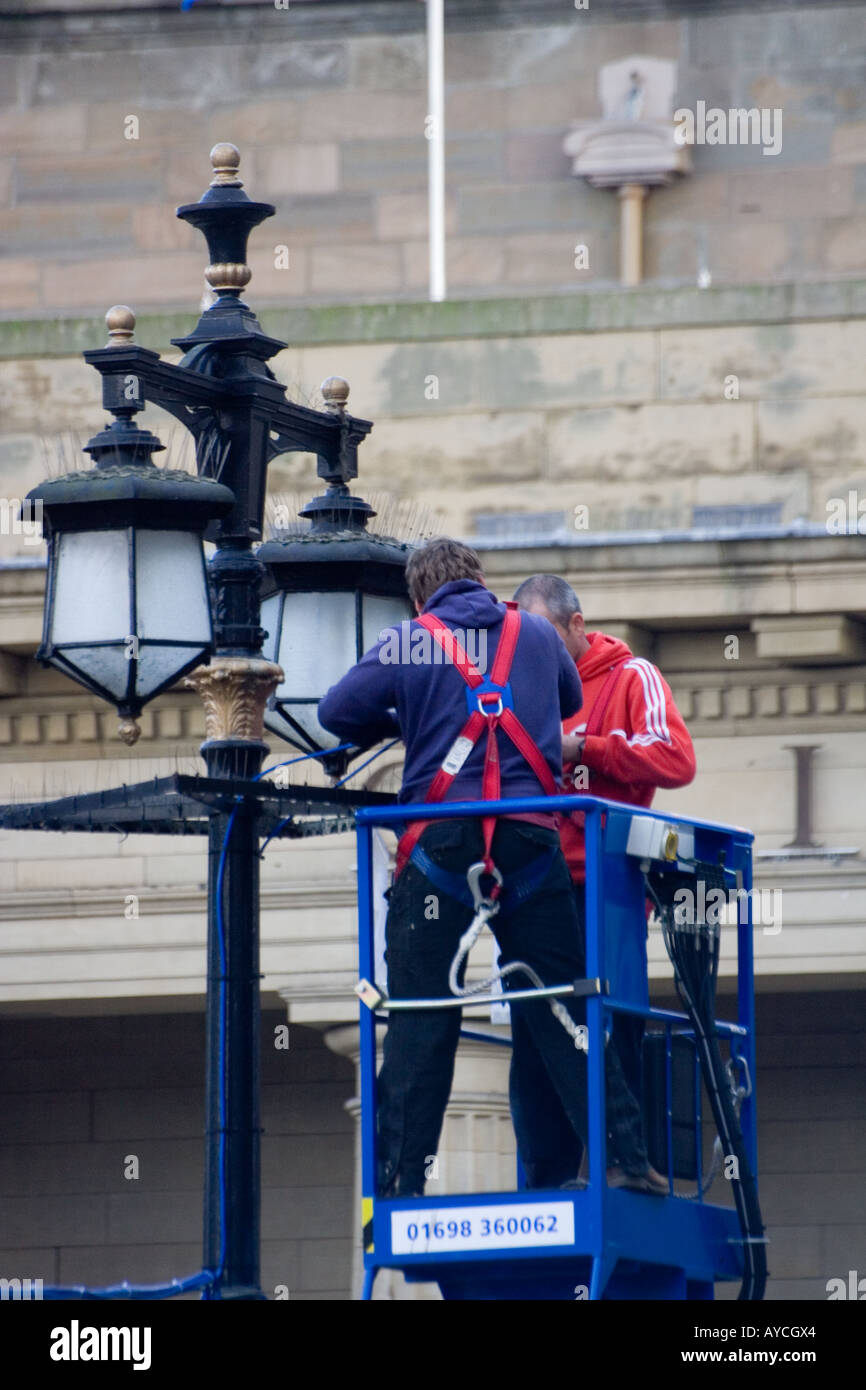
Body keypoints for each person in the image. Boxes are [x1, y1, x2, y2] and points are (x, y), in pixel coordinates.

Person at [318, 538, 666, 1197]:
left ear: (420, 597)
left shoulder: (411, 639)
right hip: (532, 846)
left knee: (421, 1013)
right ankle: (623, 1157)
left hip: (439, 847)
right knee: (567, 1006)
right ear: (481, 580)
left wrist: (410, 713)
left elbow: (334, 713)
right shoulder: (535, 633)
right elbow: (566, 701)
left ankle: (400, 1181)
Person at [513, 573, 697, 1183]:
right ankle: (548, 1178)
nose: (533, 648)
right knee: (537, 1028)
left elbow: (676, 758)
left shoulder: (630, 675)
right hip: (536, 878)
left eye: (544, 635)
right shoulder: (521, 679)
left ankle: (622, 1164)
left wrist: (584, 747)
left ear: (576, 625)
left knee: (611, 1021)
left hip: (605, 884)